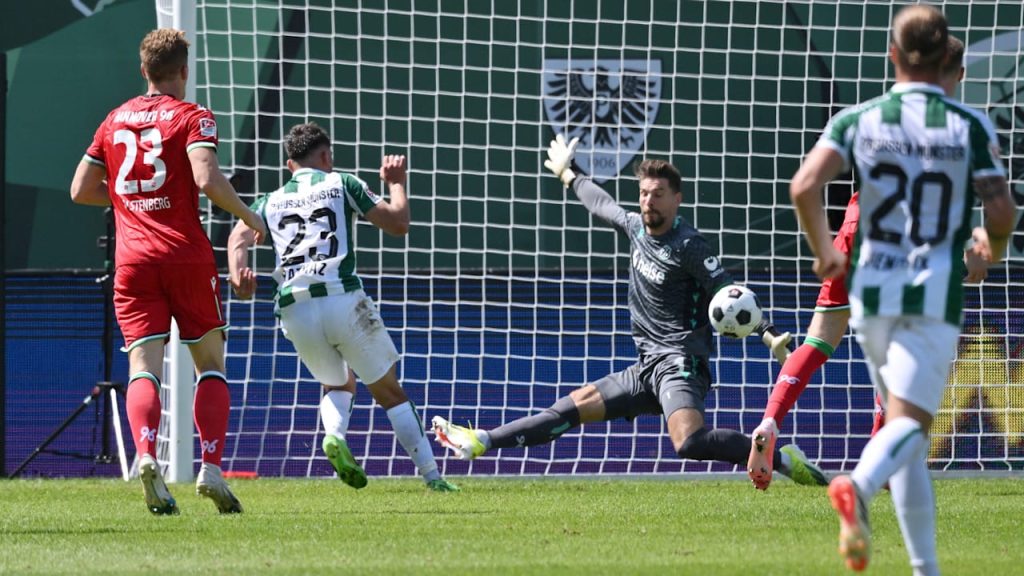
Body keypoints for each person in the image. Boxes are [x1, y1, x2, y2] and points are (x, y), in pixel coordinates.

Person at [431, 138, 827, 487]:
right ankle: (481, 440)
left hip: (680, 363)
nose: (647, 201)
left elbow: (727, 291)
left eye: (657, 194)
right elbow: (602, 204)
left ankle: (782, 459)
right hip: (645, 368)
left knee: (688, 442)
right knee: (567, 410)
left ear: (677, 198)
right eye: (643, 194)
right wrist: (570, 176)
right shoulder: (636, 228)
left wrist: (768, 332)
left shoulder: (689, 245)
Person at [790, 5, 1016, 574]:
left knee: (902, 427)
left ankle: (925, 568)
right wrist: (994, 244)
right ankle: (859, 486)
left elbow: (804, 185)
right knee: (911, 425)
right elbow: (1002, 208)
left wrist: (824, 251)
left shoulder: (858, 119)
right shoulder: (968, 125)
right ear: (946, 58)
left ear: (892, 55)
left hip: (869, 293)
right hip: (931, 295)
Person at [747, 34, 990, 491]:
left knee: (819, 339)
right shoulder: (956, 126)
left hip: (855, 224)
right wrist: (972, 252)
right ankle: (872, 474)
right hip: (902, 241)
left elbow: (806, 184)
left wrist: (825, 248)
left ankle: (771, 421)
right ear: (957, 74)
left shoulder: (876, 113)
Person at [70, 29, 268, 515]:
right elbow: (205, 177)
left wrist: (127, 203)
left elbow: (79, 188)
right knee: (211, 362)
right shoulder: (193, 116)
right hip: (184, 255)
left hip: (132, 261)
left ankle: (143, 455)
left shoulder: (114, 119)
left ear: (144, 71)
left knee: (143, 367)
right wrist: (248, 216)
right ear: (184, 70)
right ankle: (212, 468)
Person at [227, 122, 459, 492]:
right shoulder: (341, 183)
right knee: (389, 392)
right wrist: (396, 182)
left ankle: (334, 437)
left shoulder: (269, 201)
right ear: (324, 156)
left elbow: (239, 233)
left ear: (290, 166)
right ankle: (433, 477)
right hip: (341, 297)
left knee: (337, 382)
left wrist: (239, 272)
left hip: (293, 309)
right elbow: (398, 223)